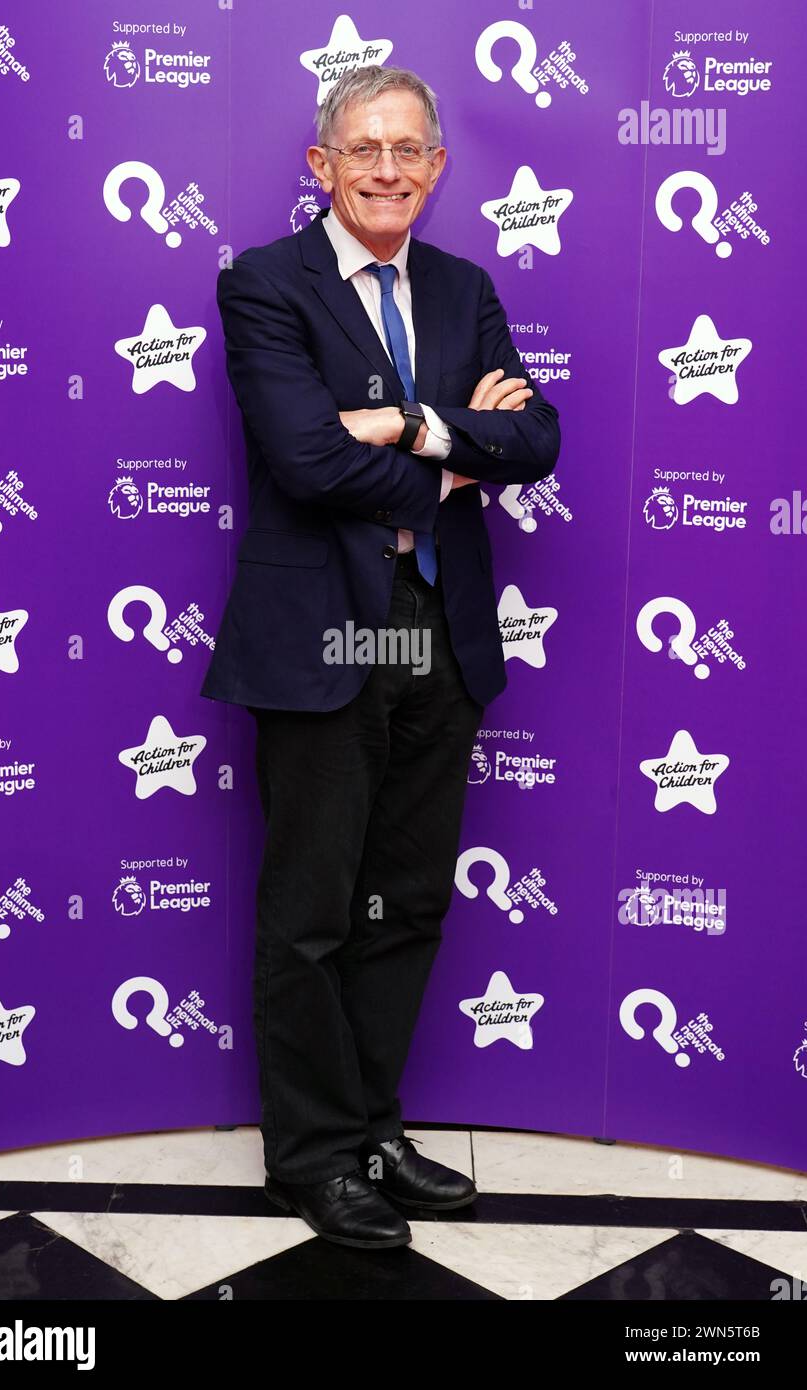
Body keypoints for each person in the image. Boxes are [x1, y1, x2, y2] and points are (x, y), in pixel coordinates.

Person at [201, 65, 560, 1249]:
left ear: (440, 167)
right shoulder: (263, 283)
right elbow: (305, 463)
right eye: (365, 150)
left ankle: (372, 1128)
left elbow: (537, 436)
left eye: (411, 150)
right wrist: (463, 452)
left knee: (404, 905)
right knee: (307, 911)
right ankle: (310, 1157)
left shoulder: (463, 286)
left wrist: (409, 423)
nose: (390, 170)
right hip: (317, 639)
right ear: (323, 167)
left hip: (436, 636)